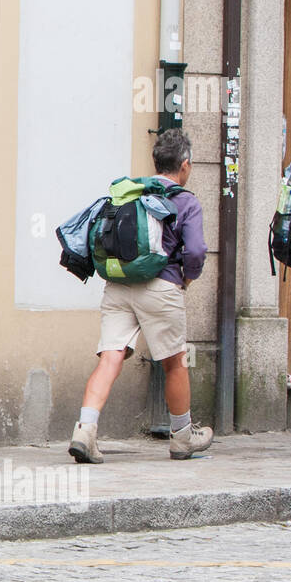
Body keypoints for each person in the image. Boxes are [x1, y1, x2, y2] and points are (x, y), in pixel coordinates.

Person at [69, 128, 212, 463]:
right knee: (174, 361)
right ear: (185, 165)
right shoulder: (186, 201)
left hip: (119, 286)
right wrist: (186, 280)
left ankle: (85, 431)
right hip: (161, 286)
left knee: (110, 355)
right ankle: (182, 437)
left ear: (156, 161)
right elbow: (196, 252)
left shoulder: (132, 194)